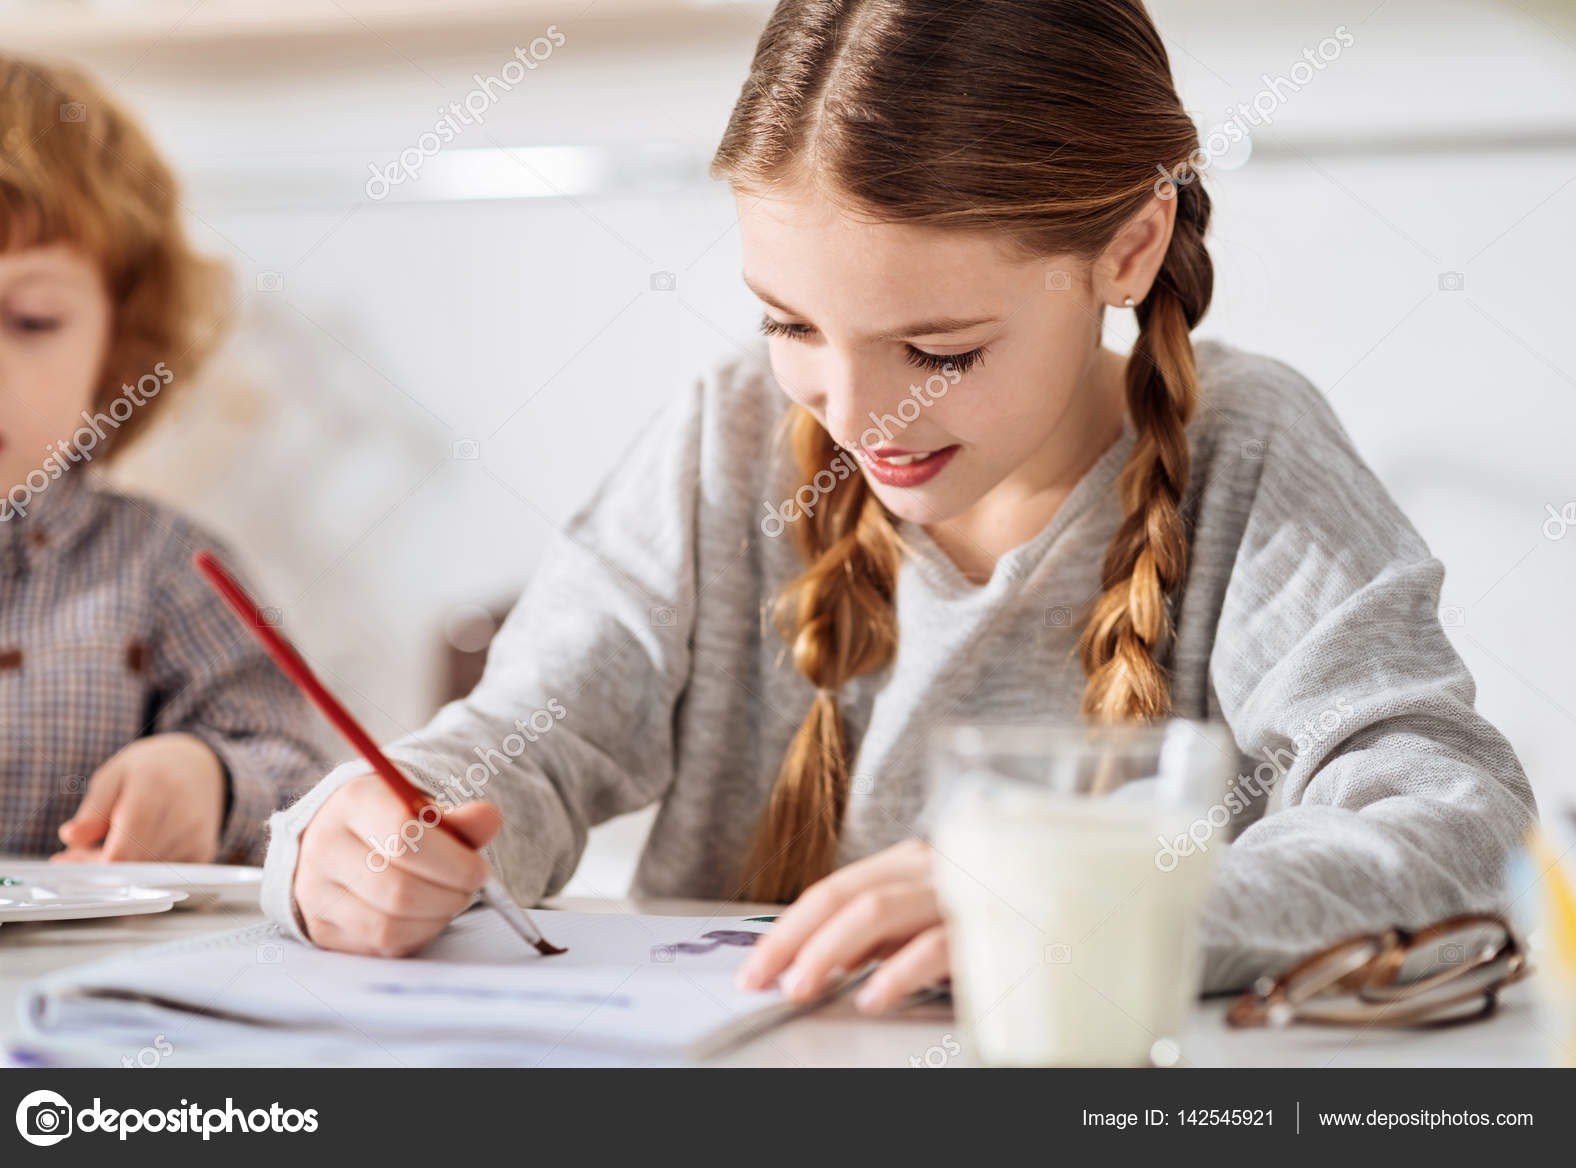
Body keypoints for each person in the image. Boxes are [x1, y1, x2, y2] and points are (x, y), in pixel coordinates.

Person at [269, 0, 1535, 1006]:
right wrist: (361, 841)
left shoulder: (1251, 451)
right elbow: (525, 741)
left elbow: (1449, 821)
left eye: (939, 351)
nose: (854, 417)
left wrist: (1078, 909)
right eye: (790, 323)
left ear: (1129, 252)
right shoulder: (732, 437)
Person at [0, 53, 327, 864]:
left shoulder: (166, 570)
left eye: (30, 320)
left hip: (81, 987)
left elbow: (306, 786)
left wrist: (209, 782)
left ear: (117, 347)